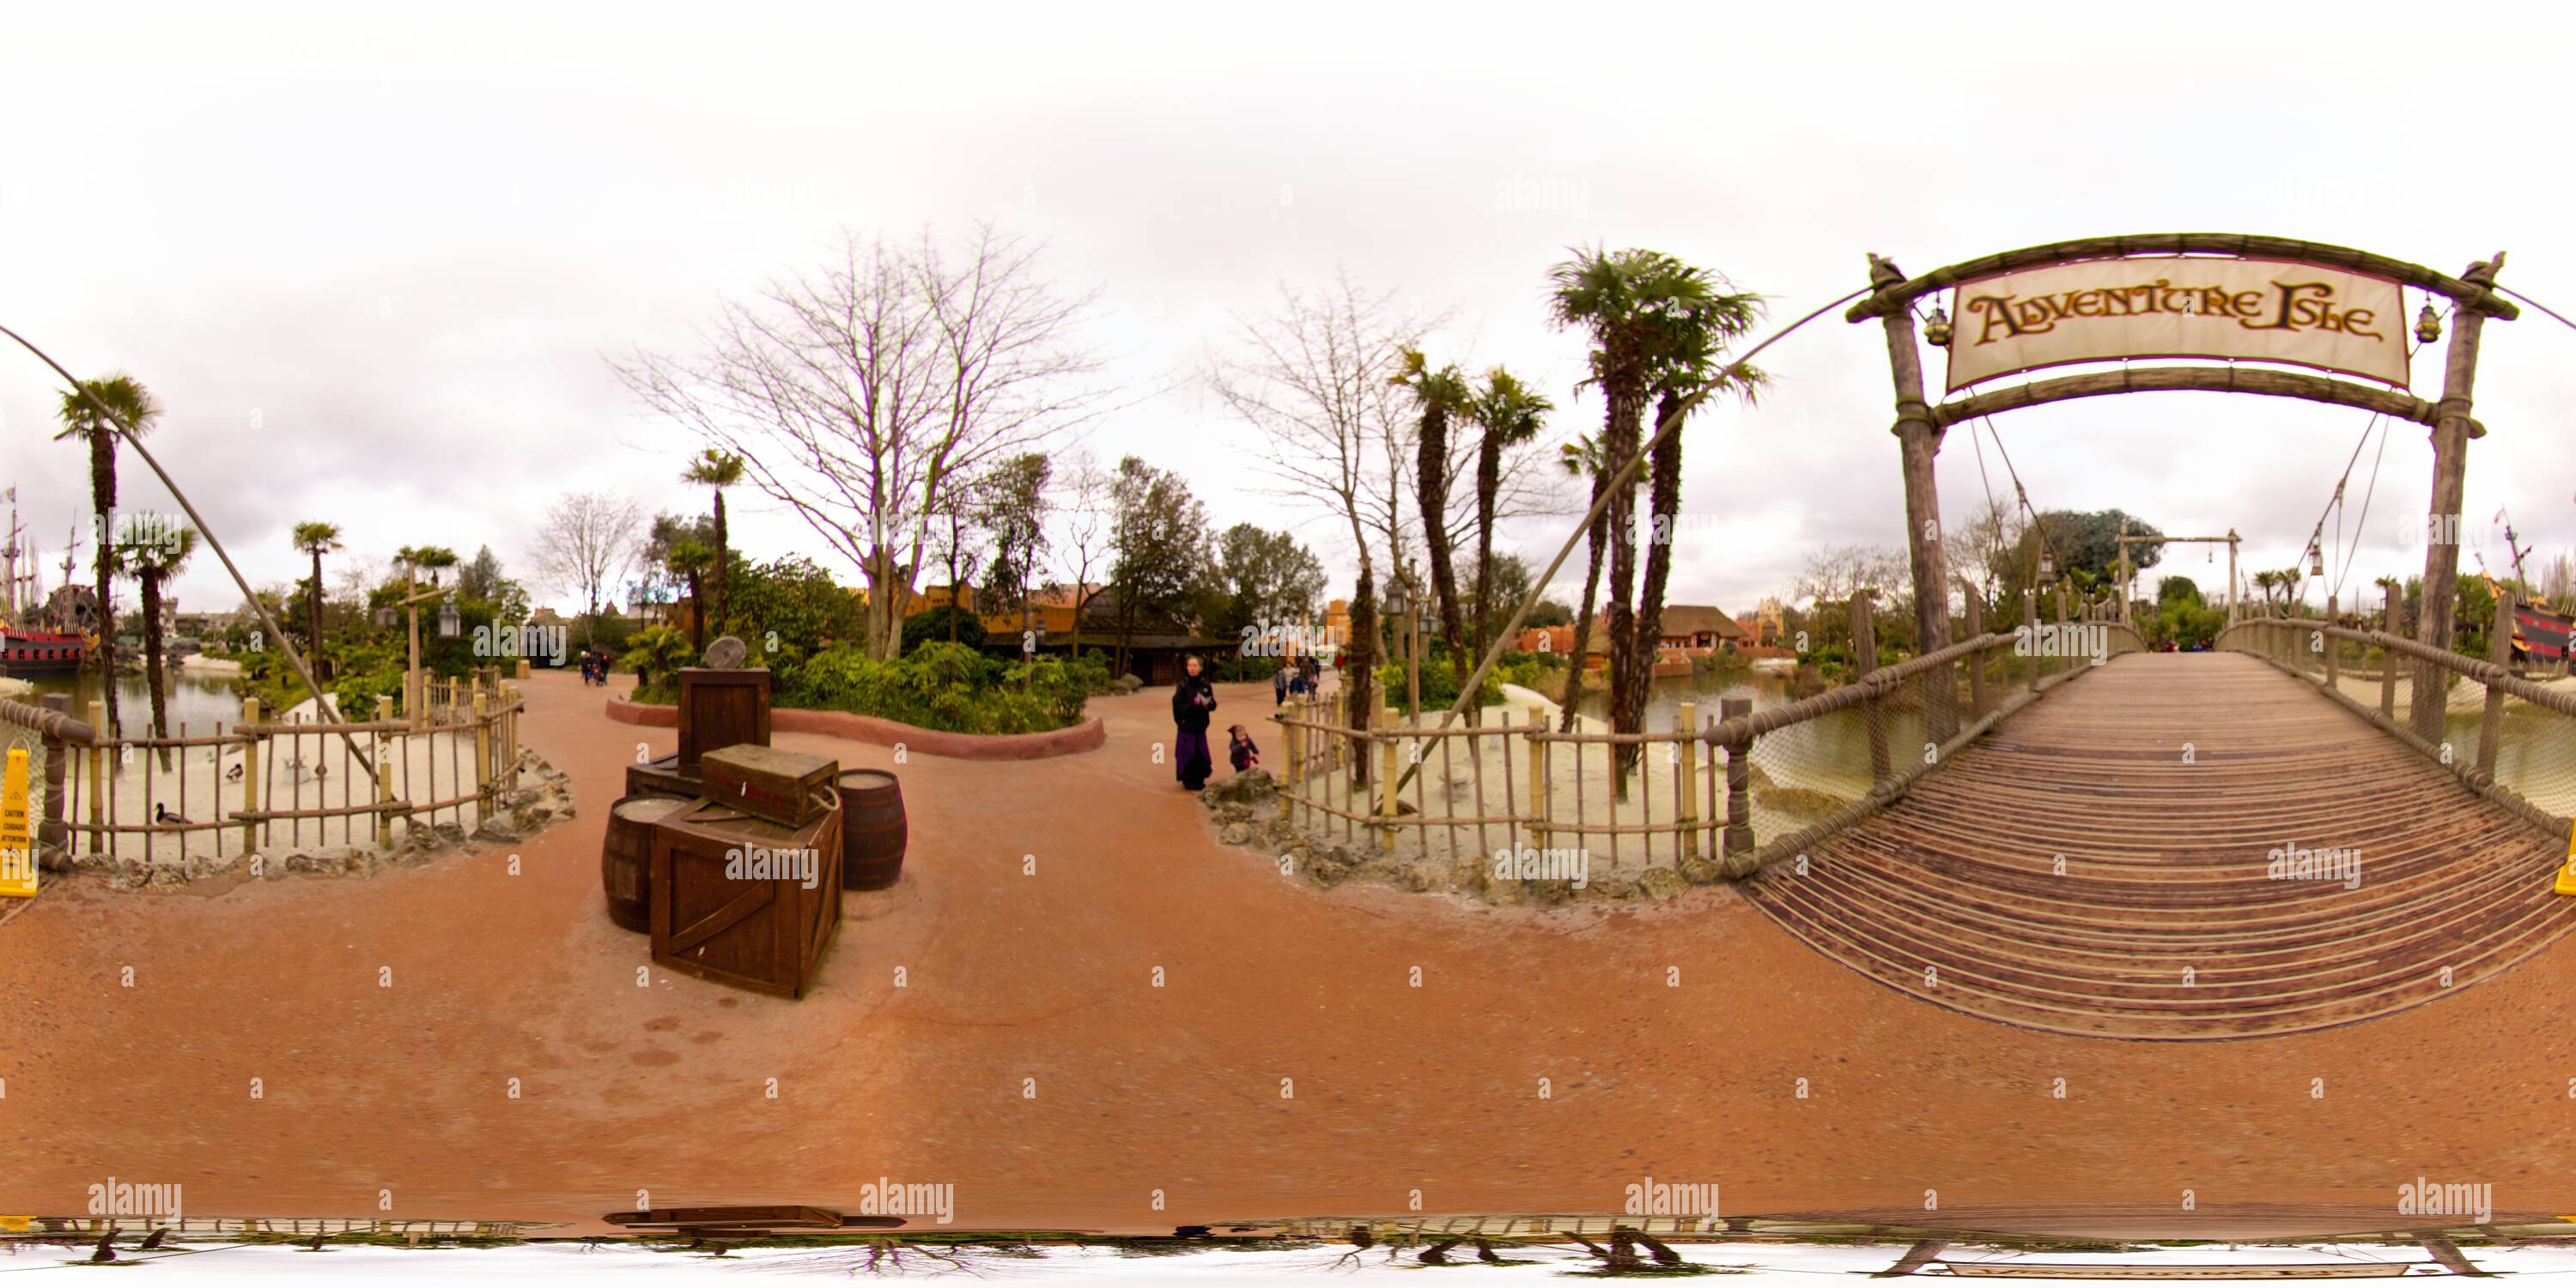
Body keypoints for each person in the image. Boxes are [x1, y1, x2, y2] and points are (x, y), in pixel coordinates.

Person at [1171, 655, 1216, 791]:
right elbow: (1177, 706)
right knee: (1187, 754)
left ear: (1200, 668)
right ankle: (1188, 780)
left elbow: (1213, 704)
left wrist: (1208, 704)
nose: (1192, 668)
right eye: (1190, 665)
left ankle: (1199, 779)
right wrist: (1192, 705)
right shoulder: (1182, 686)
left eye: (1195, 666)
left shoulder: (1206, 685)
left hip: (1200, 727)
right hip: (1187, 727)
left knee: (1200, 754)